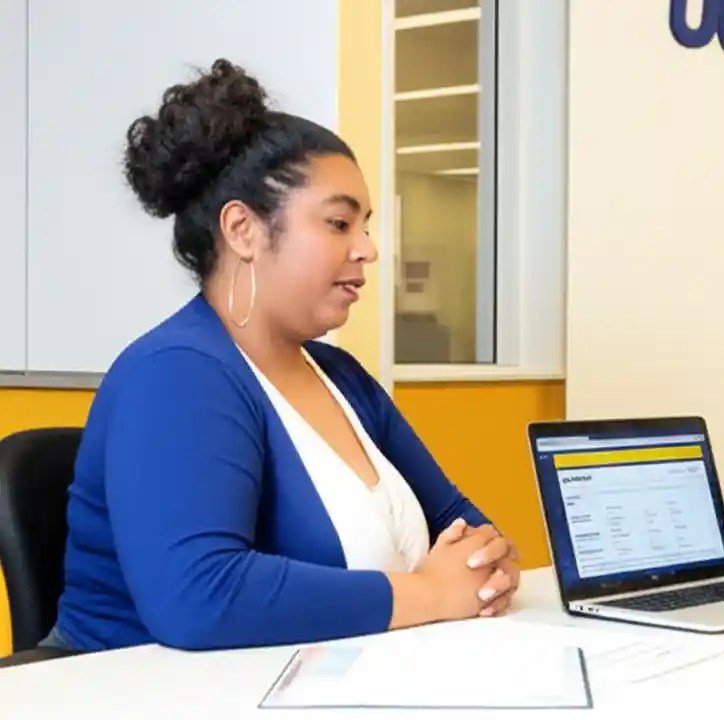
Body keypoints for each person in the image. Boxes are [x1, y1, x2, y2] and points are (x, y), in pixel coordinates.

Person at [46, 59, 520, 652]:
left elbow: (466, 527)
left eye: (365, 226)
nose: (368, 249)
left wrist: (480, 566)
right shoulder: (175, 374)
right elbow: (200, 598)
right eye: (339, 223)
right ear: (243, 230)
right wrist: (429, 594)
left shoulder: (340, 375)